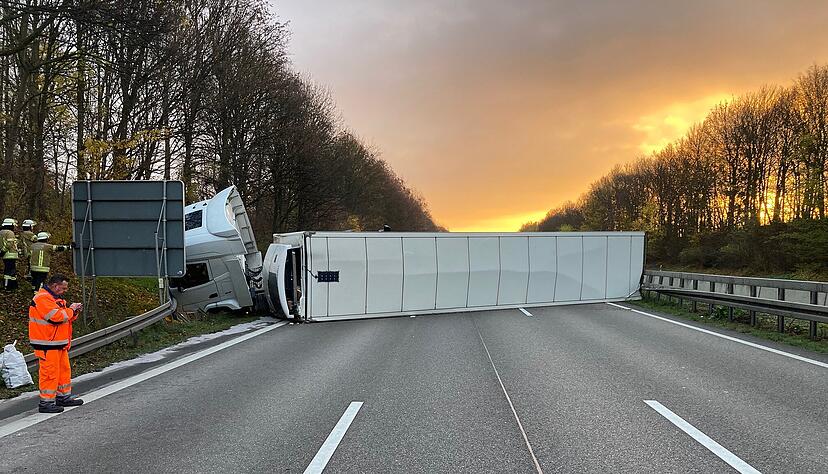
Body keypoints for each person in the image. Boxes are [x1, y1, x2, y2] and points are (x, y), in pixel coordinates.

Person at [29, 274, 84, 413]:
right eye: (63, 288)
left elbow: (65, 318)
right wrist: (71, 310)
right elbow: (56, 317)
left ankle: (63, 397)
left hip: (58, 343)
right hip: (47, 344)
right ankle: (46, 403)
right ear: (55, 286)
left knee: (63, 373)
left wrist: (74, 312)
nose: (65, 290)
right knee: (50, 374)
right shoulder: (42, 298)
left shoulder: (56, 299)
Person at [0, 218, 21, 290]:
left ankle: (13, 285)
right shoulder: (10, 232)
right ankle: (8, 286)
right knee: (9, 271)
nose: (14, 227)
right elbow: (9, 244)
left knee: (11, 270)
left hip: (6, 255)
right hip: (10, 254)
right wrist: (3, 251)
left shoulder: (1, 232)